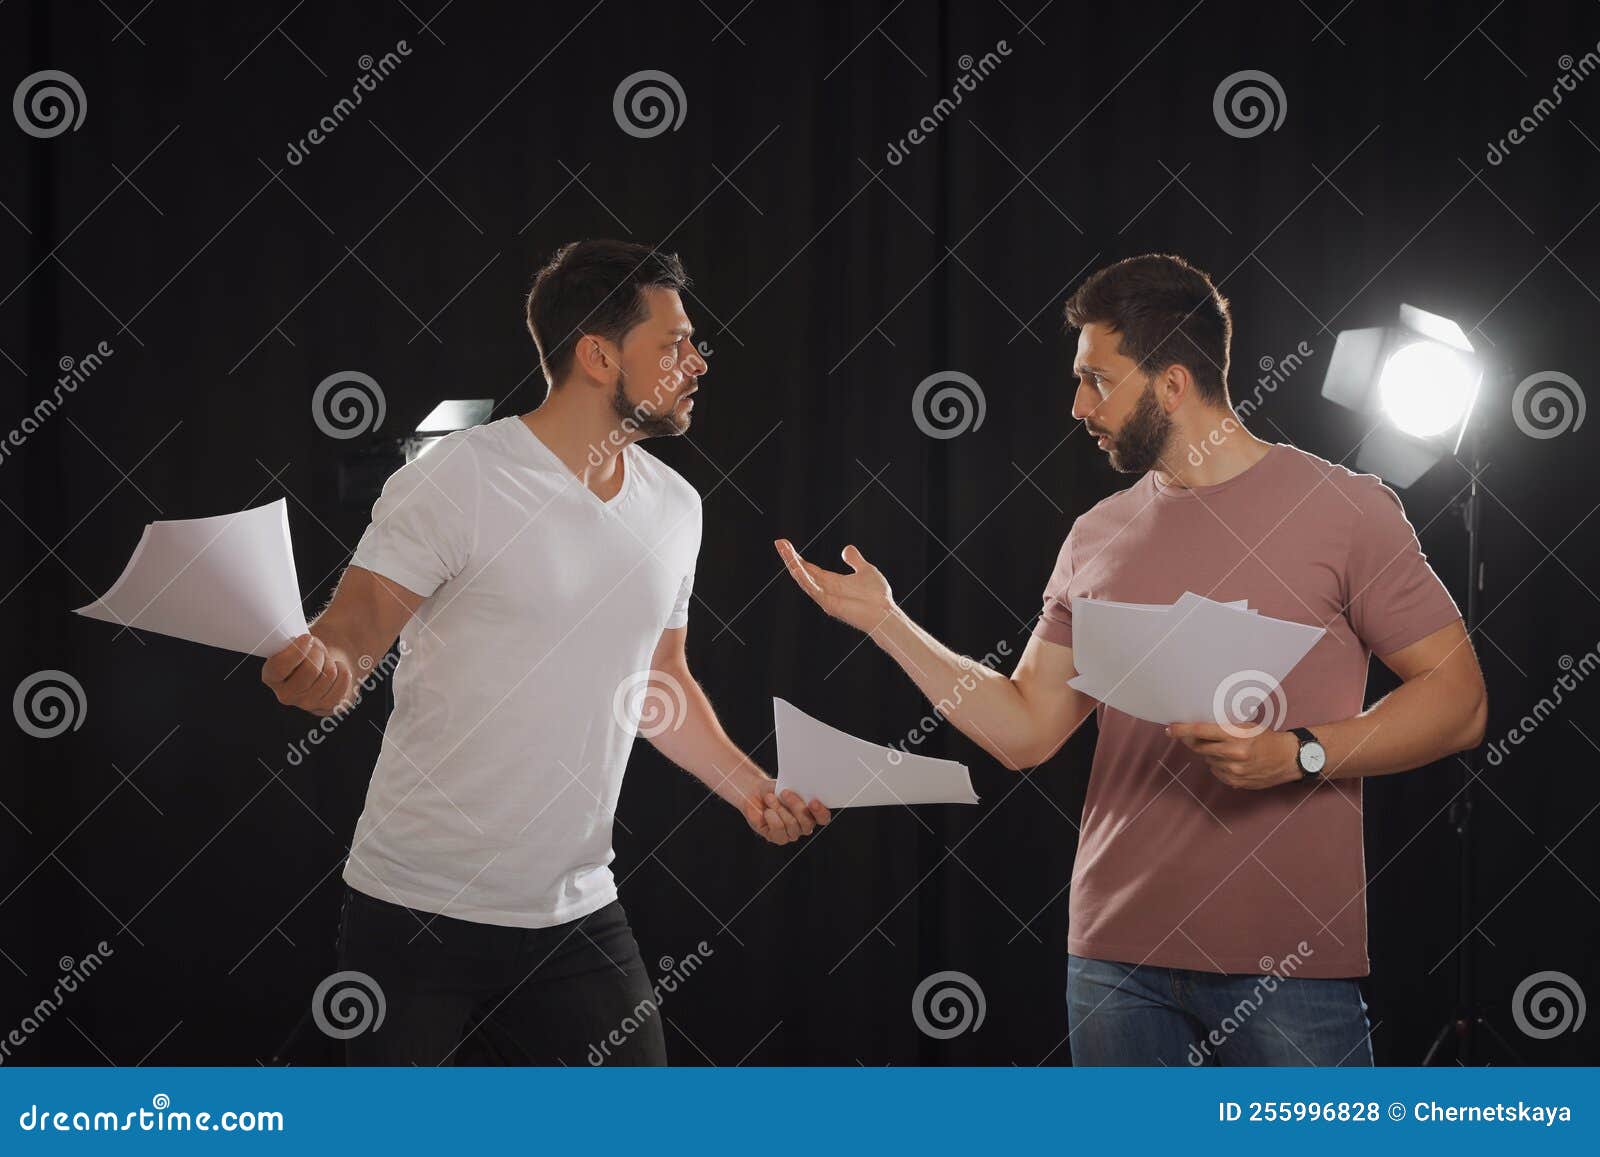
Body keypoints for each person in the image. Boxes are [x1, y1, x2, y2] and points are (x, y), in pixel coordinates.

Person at [775, 253, 1486, 1066]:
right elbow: (1027, 729)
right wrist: (887, 621)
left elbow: (1459, 700)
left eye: (1097, 380)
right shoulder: (1096, 534)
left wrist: (1302, 753)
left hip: (1287, 967)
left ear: (1173, 384)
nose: (1077, 405)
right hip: (1114, 963)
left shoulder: (1348, 509)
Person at [262, 239, 829, 1065]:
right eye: (674, 343)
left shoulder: (675, 505)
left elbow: (657, 679)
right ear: (598, 354)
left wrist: (752, 789)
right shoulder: (458, 474)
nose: (699, 361)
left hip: (575, 911)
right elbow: (350, 640)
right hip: (416, 907)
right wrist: (320, 676)